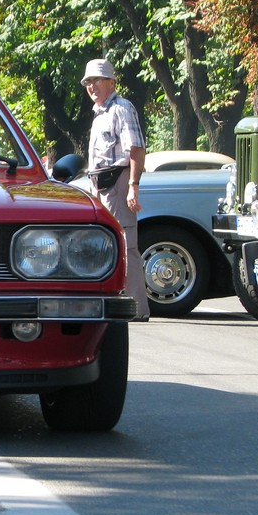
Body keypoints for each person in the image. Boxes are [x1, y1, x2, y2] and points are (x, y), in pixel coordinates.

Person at [82, 58, 150, 321]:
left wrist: (133, 186)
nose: (92, 86)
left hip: (118, 182)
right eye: (88, 82)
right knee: (103, 243)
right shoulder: (99, 113)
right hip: (99, 184)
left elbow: (136, 149)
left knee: (126, 243)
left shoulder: (122, 108)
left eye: (97, 80)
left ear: (111, 82)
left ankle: (137, 310)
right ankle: (108, 303)